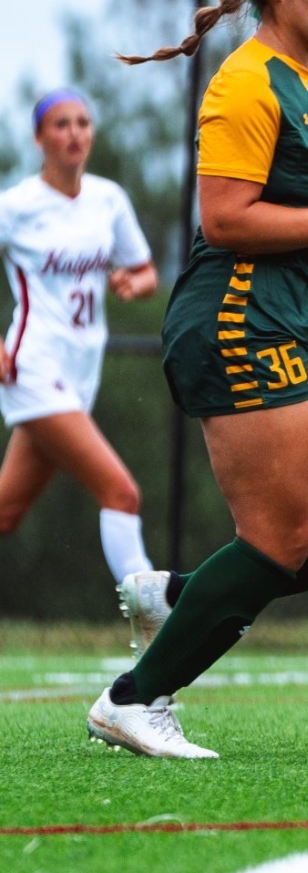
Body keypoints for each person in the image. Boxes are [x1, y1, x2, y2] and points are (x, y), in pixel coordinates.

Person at [85, 0, 308, 759]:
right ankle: (133, 699)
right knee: (280, 539)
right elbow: (225, 219)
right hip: (240, 321)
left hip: (297, 322)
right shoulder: (244, 83)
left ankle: (182, 596)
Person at [0, 89, 159, 598]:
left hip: (81, 371)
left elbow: (145, 271)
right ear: (39, 137)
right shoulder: (17, 205)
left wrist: (135, 283)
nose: (75, 133)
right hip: (33, 367)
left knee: (6, 512)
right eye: (62, 124)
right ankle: (158, 621)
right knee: (121, 491)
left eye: (83, 123)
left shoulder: (107, 199)